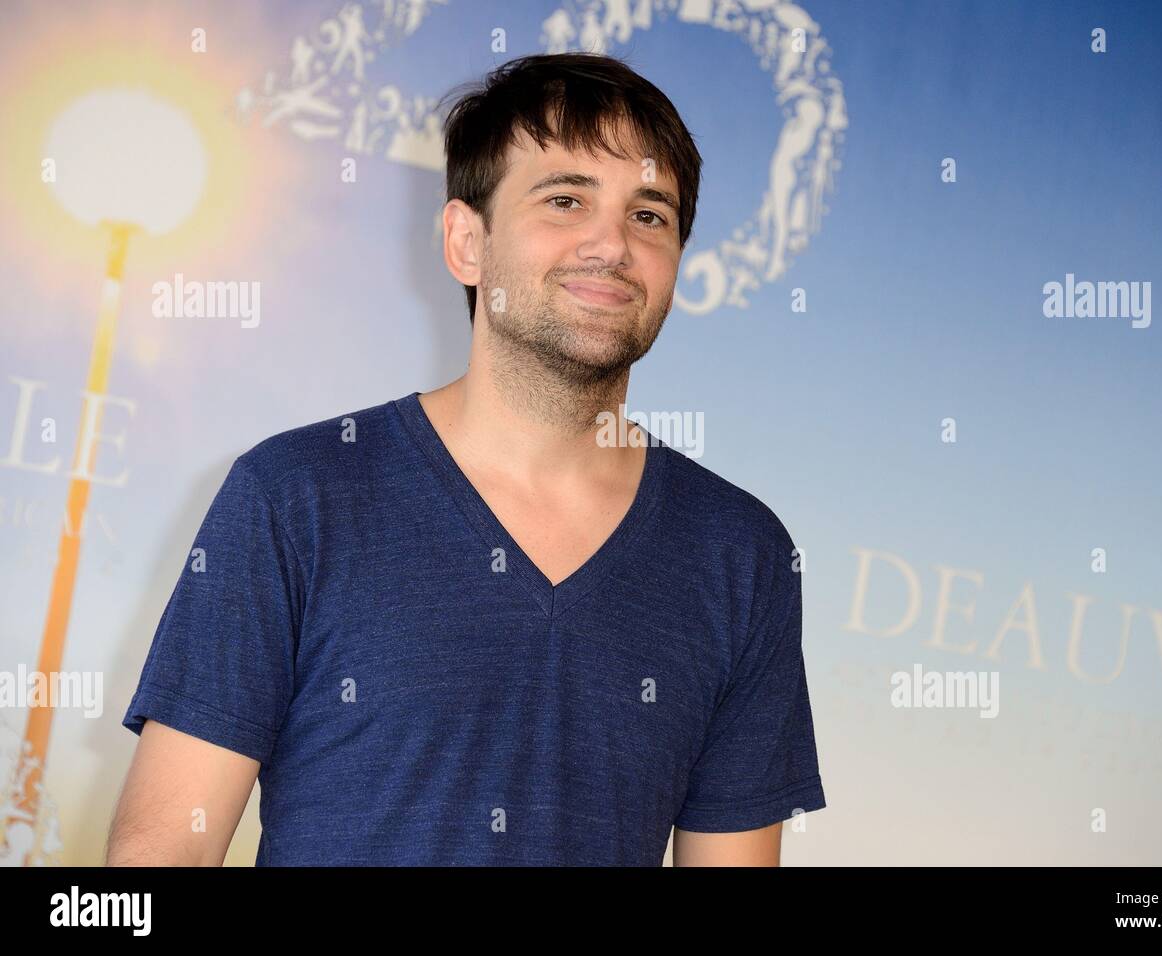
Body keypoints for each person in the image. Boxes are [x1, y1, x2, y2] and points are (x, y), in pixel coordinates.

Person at [108, 52, 826, 867]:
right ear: (465, 243)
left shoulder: (741, 553)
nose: (611, 244)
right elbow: (158, 859)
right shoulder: (294, 496)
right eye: (565, 200)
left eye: (650, 215)